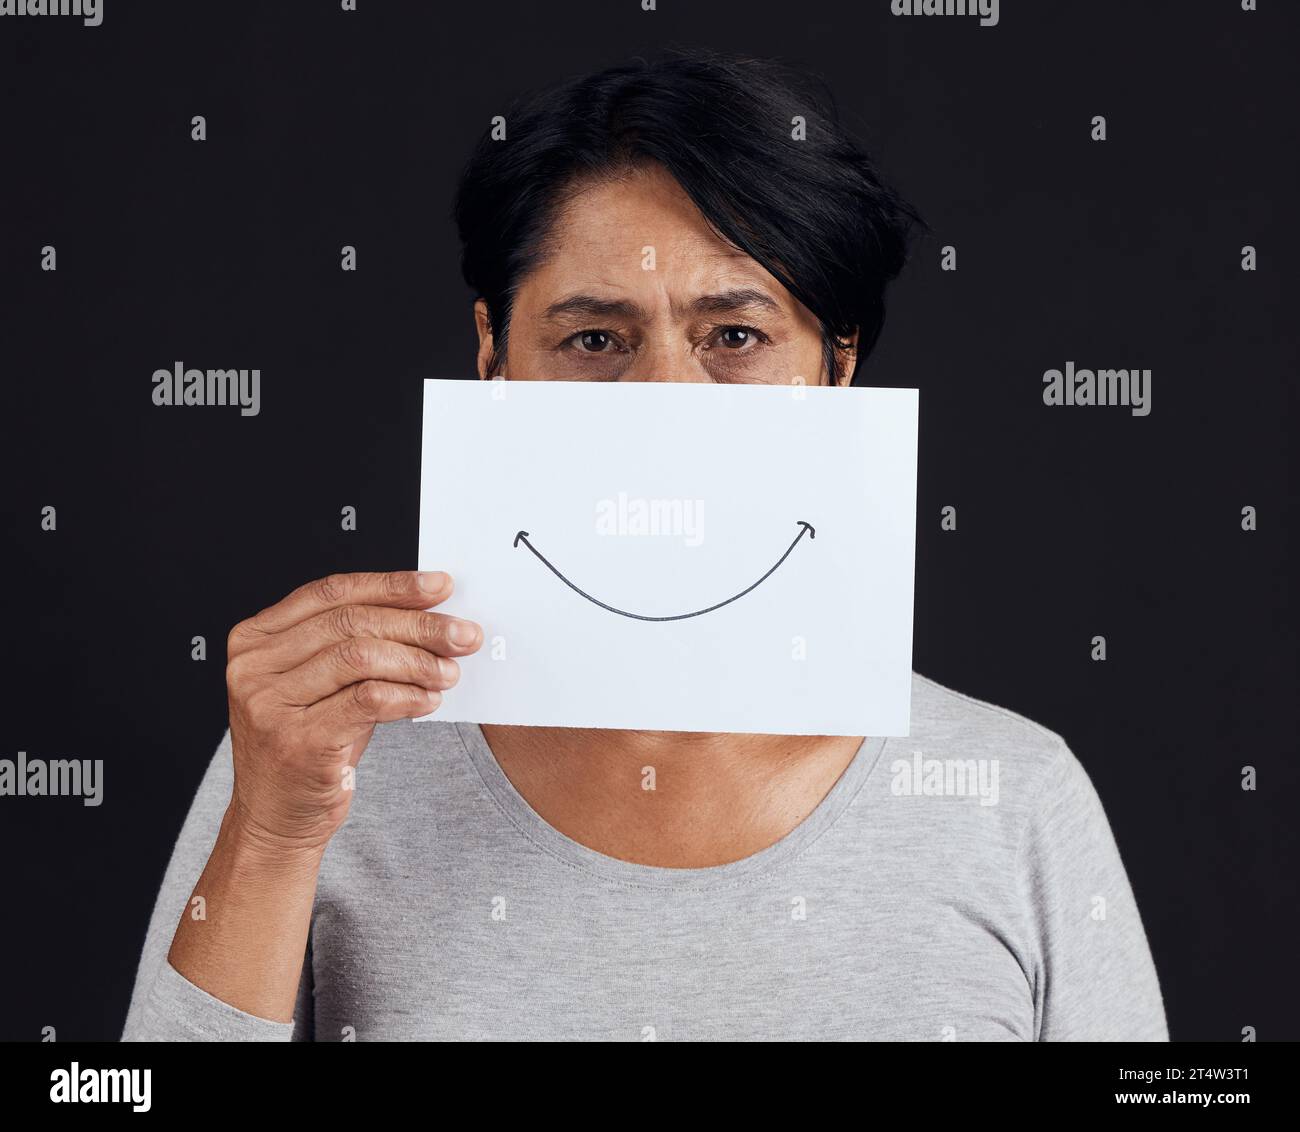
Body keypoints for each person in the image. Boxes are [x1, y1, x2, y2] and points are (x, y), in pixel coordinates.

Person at [123, 49, 1167, 1041]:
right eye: (594, 340)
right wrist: (271, 834)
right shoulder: (318, 762)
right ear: (493, 351)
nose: (667, 399)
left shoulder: (1013, 794)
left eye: (735, 337)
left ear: (837, 363)